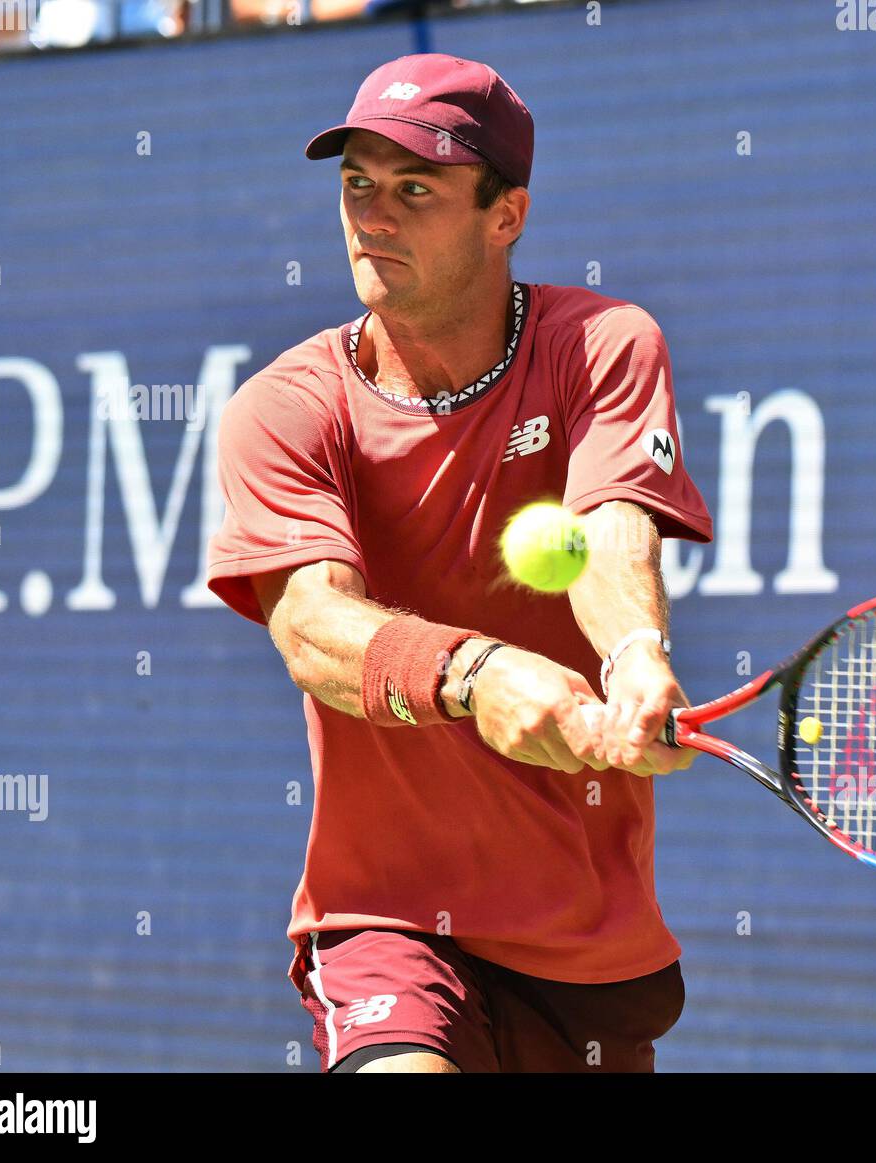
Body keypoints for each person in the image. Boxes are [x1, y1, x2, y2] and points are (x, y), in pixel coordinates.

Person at [207, 52, 713, 1073]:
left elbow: (611, 525)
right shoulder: (284, 406)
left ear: (505, 215)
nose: (371, 216)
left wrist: (634, 658)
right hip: (383, 916)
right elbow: (311, 627)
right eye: (356, 185)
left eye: (414, 189)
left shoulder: (603, 344)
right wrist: (475, 673)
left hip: (583, 943)